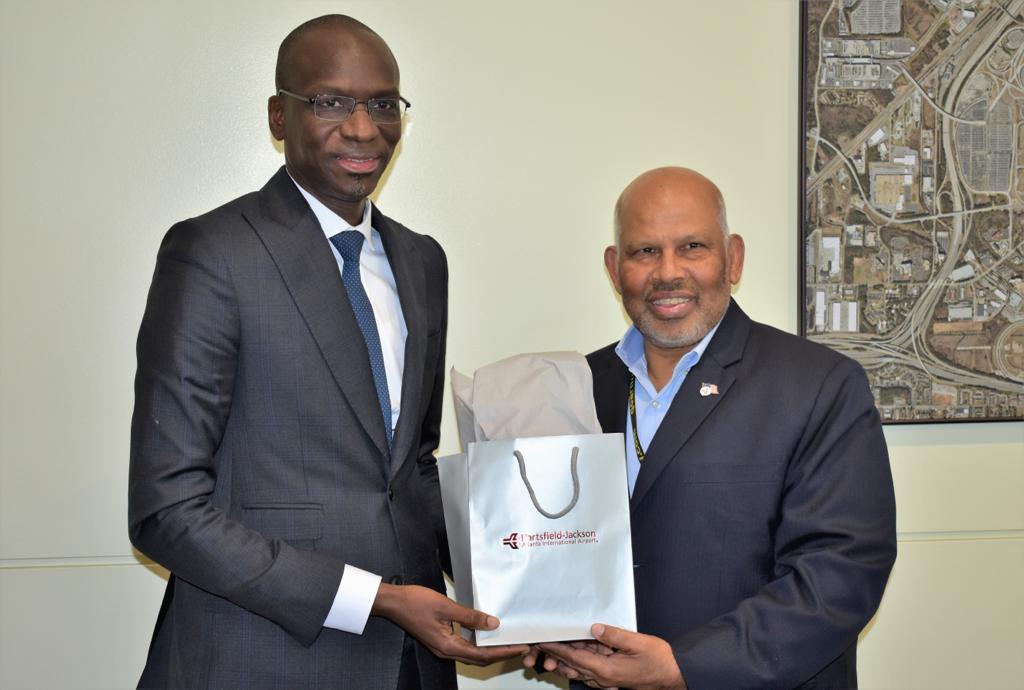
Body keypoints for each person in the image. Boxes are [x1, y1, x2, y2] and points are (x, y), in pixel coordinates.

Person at [129, 15, 524, 690]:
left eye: (383, 104)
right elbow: (165, 510)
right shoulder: (213, 253)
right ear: (279, 116)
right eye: (332, 102)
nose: (364, 129)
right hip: (258, 661)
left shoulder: (422, 261)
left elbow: (410, 471)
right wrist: (375, 600)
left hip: (413, 666)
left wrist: (526, 585)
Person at [527, 167, 897, 689]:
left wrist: (684, 666)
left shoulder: (819, 386)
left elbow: (842, 573)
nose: (667, 272)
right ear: (614, 268)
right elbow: (549, 540)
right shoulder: (576, 387)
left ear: (733, 258)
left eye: (692, 247)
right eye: (645, 251)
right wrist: (544, 628)